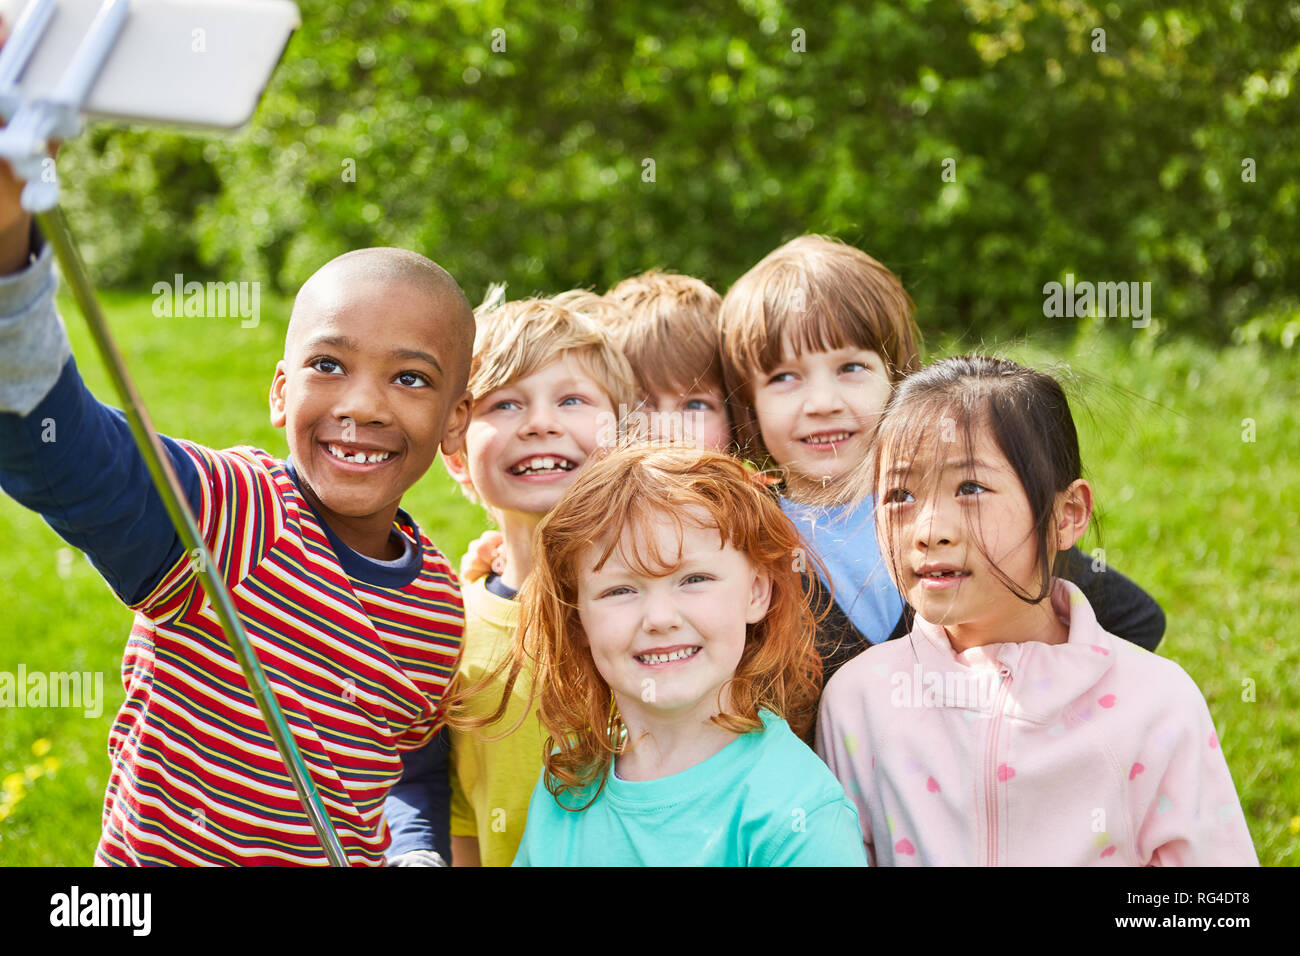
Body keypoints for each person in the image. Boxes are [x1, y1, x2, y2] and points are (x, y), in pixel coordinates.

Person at [0, 158, 474, 864]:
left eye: (410, 378)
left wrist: (414, 852)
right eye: (329, 366)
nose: (363, 406)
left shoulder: (438, 606)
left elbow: (411, 762)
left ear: (454, 419)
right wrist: (12, 249)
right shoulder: (238, 518)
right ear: (281, 392)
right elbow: (64, 454)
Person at [816, 356, 1257, 865]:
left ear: (1068, 515)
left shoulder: (1157, 704)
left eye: (971, 488)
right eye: (899, 495)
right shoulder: (859, 702)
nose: (928, 528)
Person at [717, 235, 1166, 686]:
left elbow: (1135, 619)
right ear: (749, 405)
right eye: (784, 377)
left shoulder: (954, 509)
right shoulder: (742, 534)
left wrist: (1038, 718)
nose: (822, 402)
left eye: (851, 368)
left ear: (898, 378)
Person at [506, 443, 866, 866]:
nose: (660, 618)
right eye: (619, 590)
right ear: (576, 620)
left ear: (756, 592)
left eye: (694, 579)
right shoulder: (566, 792)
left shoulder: (796, 813)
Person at [395, 296, 636, 866]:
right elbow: (462, 812)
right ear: (455, 454)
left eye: (572, 399)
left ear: (622, 435)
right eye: (504, 404)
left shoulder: (661, 608)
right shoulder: (448, 630)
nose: (541, 423)